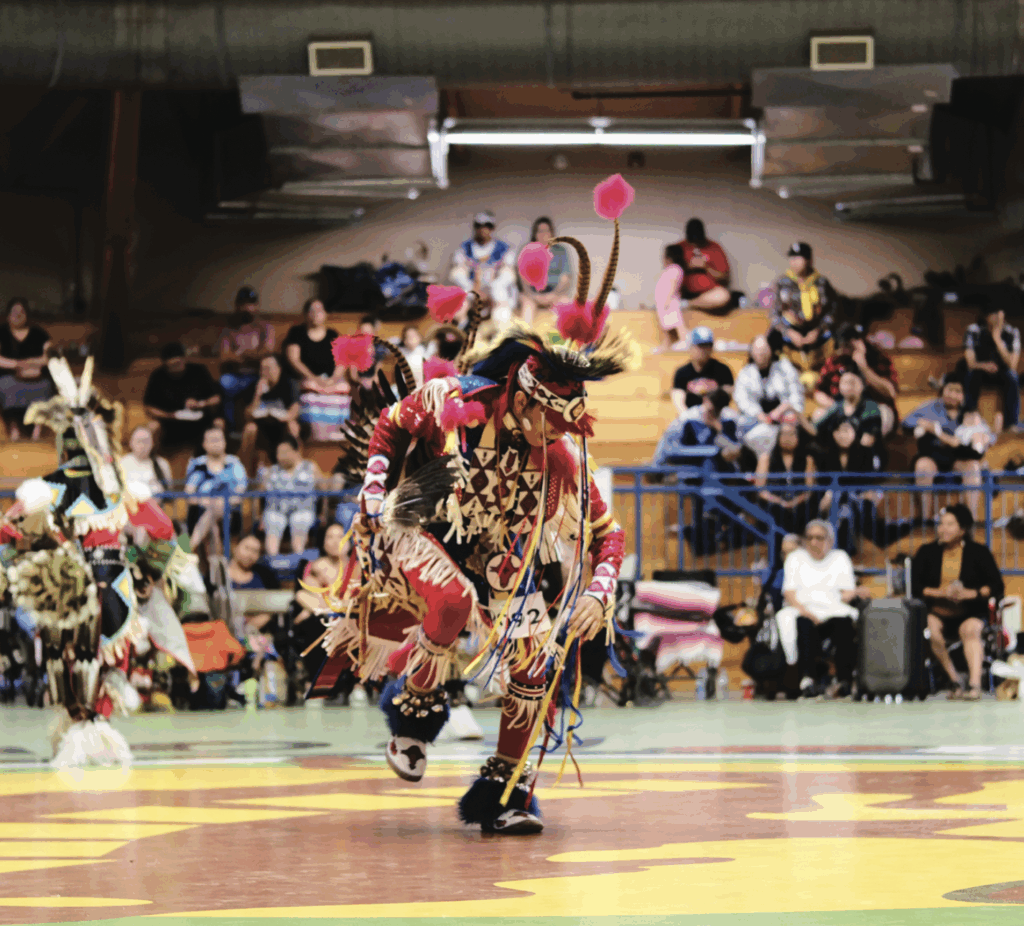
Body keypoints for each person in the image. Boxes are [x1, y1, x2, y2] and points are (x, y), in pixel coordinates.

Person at [315, 178, 636, 836]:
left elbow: (610, 537)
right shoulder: (457, 404)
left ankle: (505, 793)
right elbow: (390, 427)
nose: (557, 433)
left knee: (534, 664)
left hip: (500, 557)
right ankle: (413, 713)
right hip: (420, 522)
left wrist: (600, 595)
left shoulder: (561, 457)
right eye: (550, 418)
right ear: (521, 396)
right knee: (452, 604)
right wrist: (376, 495)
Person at [911, 504, 1004, 701]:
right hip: (938, 611)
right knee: (931, 629)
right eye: (941, 524)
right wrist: (941, 593)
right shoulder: (927, 552)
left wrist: (971, 593)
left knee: (969, 630)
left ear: (962, 529)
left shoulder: (978, 552)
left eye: (949, 524)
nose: (942, 529)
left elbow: (995, 586)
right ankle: (954, 680)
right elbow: (916, 587)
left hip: (970, 611)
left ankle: (974, 684)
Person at [776, 520, 872, 699]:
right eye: (810, 537)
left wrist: (853, 593)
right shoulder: (795, 558)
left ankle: (845, 681)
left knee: (844, 626)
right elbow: (789, 594)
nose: (814, 542)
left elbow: (846, 593)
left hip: (833, 612)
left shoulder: (840, 558)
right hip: (804, 611)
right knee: (802, 625)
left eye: (819, 538)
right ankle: (808, 682)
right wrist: (808, 613)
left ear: (830, 540)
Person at [902, 377, 982, 521]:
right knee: (923, 466)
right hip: (932, 455)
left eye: (957, 391)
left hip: (958, 457)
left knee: (974, 467)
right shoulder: (930, 407)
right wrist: (922, 422)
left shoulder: (969, 412)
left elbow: (984, 435)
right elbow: (907, 422)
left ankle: (971, 520)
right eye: (949, 390)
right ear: (942, 391)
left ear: (963, 395)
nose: (952, 394)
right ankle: (926, 520)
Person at [770, 242, 837, 389]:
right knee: (770, 339)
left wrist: (818, 330)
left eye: (798, 258)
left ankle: (828, 381)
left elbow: (832, 311)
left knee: (837, 338)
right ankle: (777, 384)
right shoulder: (783, 282)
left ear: (809, 261)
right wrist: (789, 331)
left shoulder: (821, 282)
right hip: (791, 329)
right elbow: (774, 315)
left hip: (816, 329)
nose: (793, 262)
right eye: (791, 258)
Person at [814, 323, 898, 436]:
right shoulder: (835, 361)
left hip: (873, 409)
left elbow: (891, 393)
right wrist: (833, 406)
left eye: (849, 344)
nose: (844, 348)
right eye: (842, 344)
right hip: (842, 409)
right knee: (818, 414)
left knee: (882, 415)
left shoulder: (879, 359)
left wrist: (864, 367)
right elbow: (819, 391)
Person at [143, 342, 224, 451]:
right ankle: (153, 463)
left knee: (219, 423)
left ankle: (217, 461)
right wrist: (168, 415)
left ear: (185, 359)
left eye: (179, 363)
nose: (177, 367)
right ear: (165, 364)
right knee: (152, 426)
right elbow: (149, 407)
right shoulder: (157, 376)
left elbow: (216, 398)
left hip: (200, 421)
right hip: (170, 424)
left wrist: (201, 404)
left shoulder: (199, 371)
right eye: (173, 365)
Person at [734, 333, 804, 457]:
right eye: (757, 350)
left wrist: (784, 409)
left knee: (793, 423)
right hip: (757, 419)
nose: (761, 353)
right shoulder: (745, 373)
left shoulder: (785, 368)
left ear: (771, 350)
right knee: (741, 424)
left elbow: (797, 395)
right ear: (751, 352)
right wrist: (759, 414)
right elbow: (741, 399)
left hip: (784, 417)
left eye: (764, 349)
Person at [217, 286, 275, 434]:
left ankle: (260, 430)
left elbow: (267, 353)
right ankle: (231, 431)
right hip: (236, 375)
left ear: (256, 306)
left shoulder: (265, 327)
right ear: (237, 306)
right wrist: (252, 354)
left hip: (258, 375)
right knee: (224, 383)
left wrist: (240, 353)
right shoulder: (229, 329)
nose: (247, 308)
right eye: (243, 304)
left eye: (251, 304)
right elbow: (225, 357)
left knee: (264, 385)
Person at [449, 210, 517, 332]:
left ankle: (501, 341)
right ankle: (462, 339)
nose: (483, 229)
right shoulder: (464, 249)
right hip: (472, 290)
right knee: (458, 308)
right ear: (475, 227)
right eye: (479, 226)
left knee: (502, 314)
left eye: (487, 226)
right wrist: (475, 290)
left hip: (495, 292)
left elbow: (509, 274)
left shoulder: (504, 249)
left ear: (493, 228)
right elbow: (456, 274)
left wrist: (491, 290)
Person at [183, 426, 248, 553]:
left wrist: (222, 503)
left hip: (229, 512)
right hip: (200, 510)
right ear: (204, 444)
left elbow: (240, 492)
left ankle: (189, 549)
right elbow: (189, 493)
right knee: (213, 525)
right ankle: (217, 566)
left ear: (224, 442)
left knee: (216, 511)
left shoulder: (234, 464)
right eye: (212, 440)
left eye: (218, 439)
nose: (216, 443)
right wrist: (207, 503)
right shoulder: (197, 464)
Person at [957, 304, 1020, 432]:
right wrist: (984, 366)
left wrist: (997, 339)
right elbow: (970, 362)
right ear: (986, 317)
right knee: (970, 375)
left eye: (1000, 315)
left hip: (1002, 372)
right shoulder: (973, 330)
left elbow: (1012, 365)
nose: (998, 319)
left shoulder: (1012, 332)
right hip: (980, 370)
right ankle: (968, 418)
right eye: (994, 315)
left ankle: (1011, 423)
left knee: (1012, 377)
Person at [0, 297, 53, 440]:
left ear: (27, 314)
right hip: (9, 377)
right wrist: (17, 364)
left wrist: (31, 362)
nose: (18, 314)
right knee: (7, 386)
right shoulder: (2, 332)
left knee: (46, 386)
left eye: (22, 311)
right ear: (8, 314)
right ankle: (14, 429)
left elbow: (49, 356)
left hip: (37, 378)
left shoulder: (39, 333)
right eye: (14, 311)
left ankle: (37, 430)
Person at [755, 413, 816, 537]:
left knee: (808, 510)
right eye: (783, 434)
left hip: (799, 504)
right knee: (775, 513)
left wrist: (794, 502)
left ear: (798, 437)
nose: (787, 438)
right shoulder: (766, 458)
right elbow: (760, 489)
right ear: (778, 437)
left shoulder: (807, 459)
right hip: (773, 504)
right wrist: (780, 502)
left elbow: (810, 489)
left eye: (792, 434)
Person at [238, 354, 301, 473]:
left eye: (268, 368)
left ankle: (296, 470)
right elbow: (247, 415)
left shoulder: (289, 384)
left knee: (293, 426)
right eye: (262, 369)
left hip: (282, 425)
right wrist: (258, 394)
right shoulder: (255, 386)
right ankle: (245, 472)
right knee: (249, 428)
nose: (264, 372)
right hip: (262, 428)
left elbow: (294, 412)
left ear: (278, 369)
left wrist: (281, 416)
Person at [260, 437, 320, 556]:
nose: (280, 457)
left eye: (284, 452)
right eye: (278, 453)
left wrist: (322, 513)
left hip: (303, 510)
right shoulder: (272, 470)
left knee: (299, 520)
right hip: (276, 510)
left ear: (296, 452)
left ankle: (298, 560)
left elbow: (325, 490)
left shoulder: (310, 467)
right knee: (272, 520)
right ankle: (273, 561)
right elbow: (260, 493)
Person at [672, 218, 732, 323]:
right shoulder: (679, 247)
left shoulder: (714, 247)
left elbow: (724, 277)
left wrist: (705, 267)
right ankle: (683, 303)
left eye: (698, 241)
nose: (695, 244)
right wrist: (688, 267)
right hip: (684, 292)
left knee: (723, 296)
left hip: (708, 294)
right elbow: (670, 273)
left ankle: (688, 304)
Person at [814, 370, 884, 459]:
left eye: (852, 382)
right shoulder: (836, 406)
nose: (848, 386)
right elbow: (816, 430)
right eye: (844, 382)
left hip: (863, 458)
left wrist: (847, 439)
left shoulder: (871, 407)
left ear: (862, 386)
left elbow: (868, 440)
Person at [517, 217, 573, 325]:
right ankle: (525, 339)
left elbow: (565, 278)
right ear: (534, 234)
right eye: (540, 231)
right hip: (532, 294)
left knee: (566, 305)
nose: (543, 234)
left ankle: (559, 340)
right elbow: (522, 279)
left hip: (555, 293)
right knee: (527, 308)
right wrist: (533, 295)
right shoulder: (526, 251)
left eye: (547, 231)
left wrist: (554, 295)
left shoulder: (561, 251)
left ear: (552, 233)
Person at [670, 326, 734, 416]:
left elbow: (727, 397)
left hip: (717, 416)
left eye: (708, 345)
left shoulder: (723, 370)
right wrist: (689, 418)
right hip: (691, 416)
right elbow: (679, 401)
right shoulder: (682, 373)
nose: (704, 350)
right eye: (700, 346)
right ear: (691, 347)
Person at [119, 425, 173, 498]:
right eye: (139, 441)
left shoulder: (161, 464)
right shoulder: (123, 462)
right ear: (131, 443)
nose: (142, 445)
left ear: (152, 443)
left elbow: (168, 490)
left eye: (146, 441)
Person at [653, 244, 689, 351]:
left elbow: (673, 285)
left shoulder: (675, 269)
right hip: (662, 303)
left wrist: (668, 299)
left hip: (670, 302)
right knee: (665, 325)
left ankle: (684, 340)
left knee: (677, 322)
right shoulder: (668, 270)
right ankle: (666, 345)